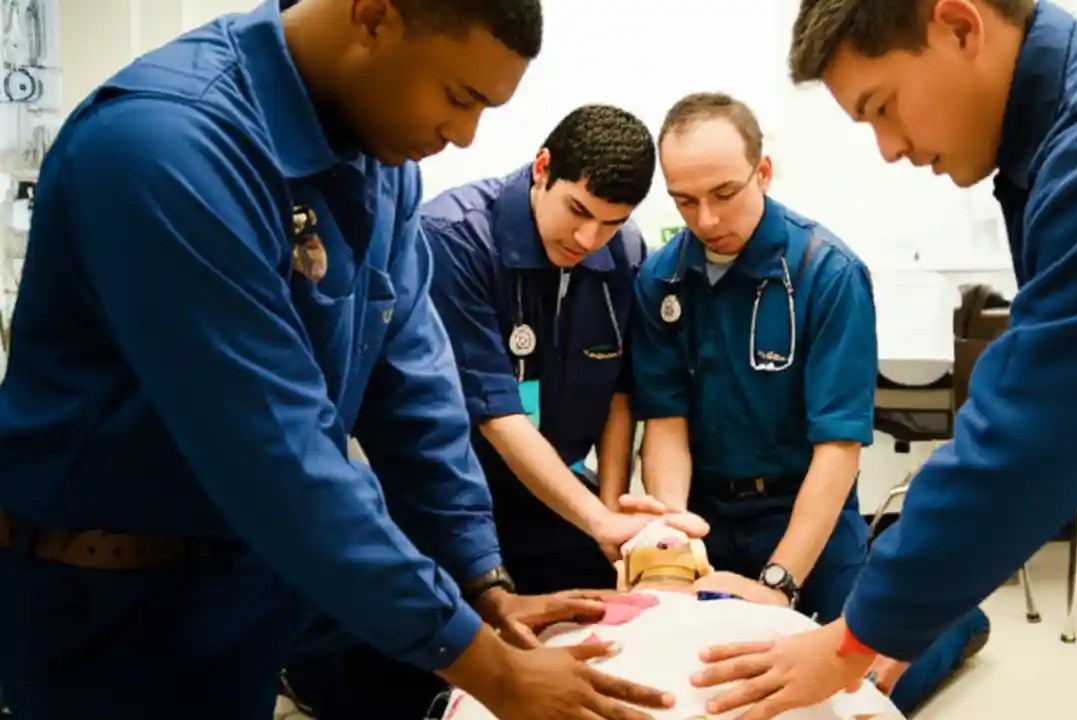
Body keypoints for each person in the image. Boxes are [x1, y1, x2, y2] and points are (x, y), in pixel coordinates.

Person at [0, 1, 680, 718]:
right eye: (460, 97)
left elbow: (416, 391)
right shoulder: (167, 147)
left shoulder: (378, 162)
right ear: (372, 16)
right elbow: (278, 455)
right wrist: (491, 672)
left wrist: (485, 585)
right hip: (111, 610)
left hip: (249, 588)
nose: (464, 135)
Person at [688, 2, 1077, 719]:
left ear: (960, 25)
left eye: (884, 108)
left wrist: (856, 637)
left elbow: (1032, 433)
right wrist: (905, 609)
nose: (888, 148)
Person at [284, 104, 707, 720]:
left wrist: (614, 513)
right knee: (404, 661)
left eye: (610, 224)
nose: (587, 241)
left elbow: (620, 394)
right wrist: (595, 519)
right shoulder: (453, 236)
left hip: (556, 493)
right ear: (542, 170)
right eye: (578, 212)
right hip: (443, 493)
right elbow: (497, 415)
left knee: (596, 618)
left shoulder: (623, 253)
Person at [630, 92, 989, 717]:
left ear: (762, 172)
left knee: (861, 674)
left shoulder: (828, 273)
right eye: (685, 200)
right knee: (685, 672)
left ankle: (956, 622)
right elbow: (665, 424)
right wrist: (673, 537)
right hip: (710, 512)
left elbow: (839, 449)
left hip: (804, 514)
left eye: (723, 193)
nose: (707, 219)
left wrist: (778, 584)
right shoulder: (660, 278)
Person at [439, 517, 907, 720]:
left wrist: (775, 606)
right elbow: (485, 687)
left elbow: (854, 688)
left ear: (708, 567)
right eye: (648, 537)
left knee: (905, 641)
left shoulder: (782, 627)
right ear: (621, 573)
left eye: (681, 537)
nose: (665, 534)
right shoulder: (561, 621)